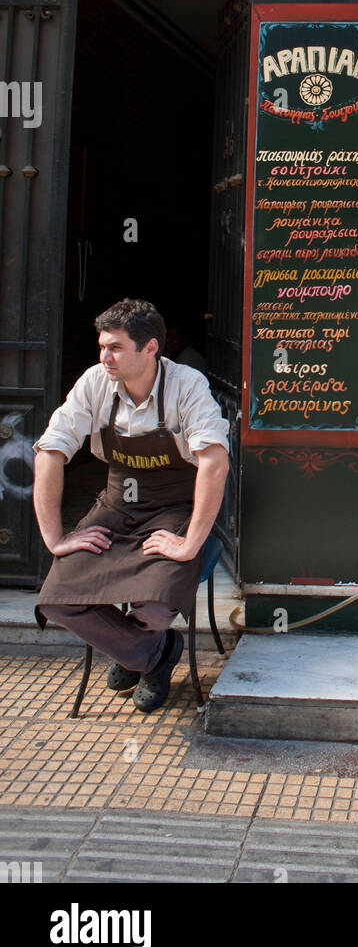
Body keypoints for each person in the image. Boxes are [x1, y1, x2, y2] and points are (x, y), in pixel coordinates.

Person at [32, 299, 230, 713]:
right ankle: (153, 656)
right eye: (103, 346)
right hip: (117, 506)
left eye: (116, 347)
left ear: (150, 348)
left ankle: (134, 649)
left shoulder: (186, 385)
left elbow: (214, 461)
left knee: (156, 605)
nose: (105, 356)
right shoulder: (94, 382)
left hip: (174, 507)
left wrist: (190, 543)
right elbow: (50, 452)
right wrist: (55, 537)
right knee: (57, 598)